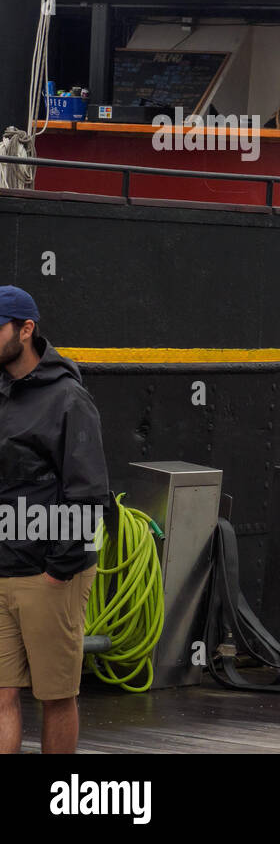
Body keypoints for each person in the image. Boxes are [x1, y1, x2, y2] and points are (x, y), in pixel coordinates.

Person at [0, 286, 113, 754]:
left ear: (25, 330)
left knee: (56, 696)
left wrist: (57, 569)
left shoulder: (68, 399)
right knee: (2, 693)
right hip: (2, 569)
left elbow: (89, 494)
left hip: (48, 576)